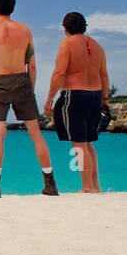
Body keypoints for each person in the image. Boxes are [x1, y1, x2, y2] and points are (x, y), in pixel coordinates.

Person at [0, 0, 58, 197]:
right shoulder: (25, 30)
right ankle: (50, 183)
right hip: (22, 81)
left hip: (0, 82)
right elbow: (31, 65)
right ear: (13, 9)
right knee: (35, 134)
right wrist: (29, 89)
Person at [44, 11, 108, 193]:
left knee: (78, 143)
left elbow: (60, 73)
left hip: (75, 95)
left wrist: (49, 99)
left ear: (65, 28)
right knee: (88, 142)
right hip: (96, 95)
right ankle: (95, 186)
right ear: (84, 26)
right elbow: (104, 75)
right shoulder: (97, 46)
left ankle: (86, 187)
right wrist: (105, 99)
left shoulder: (67, 43)